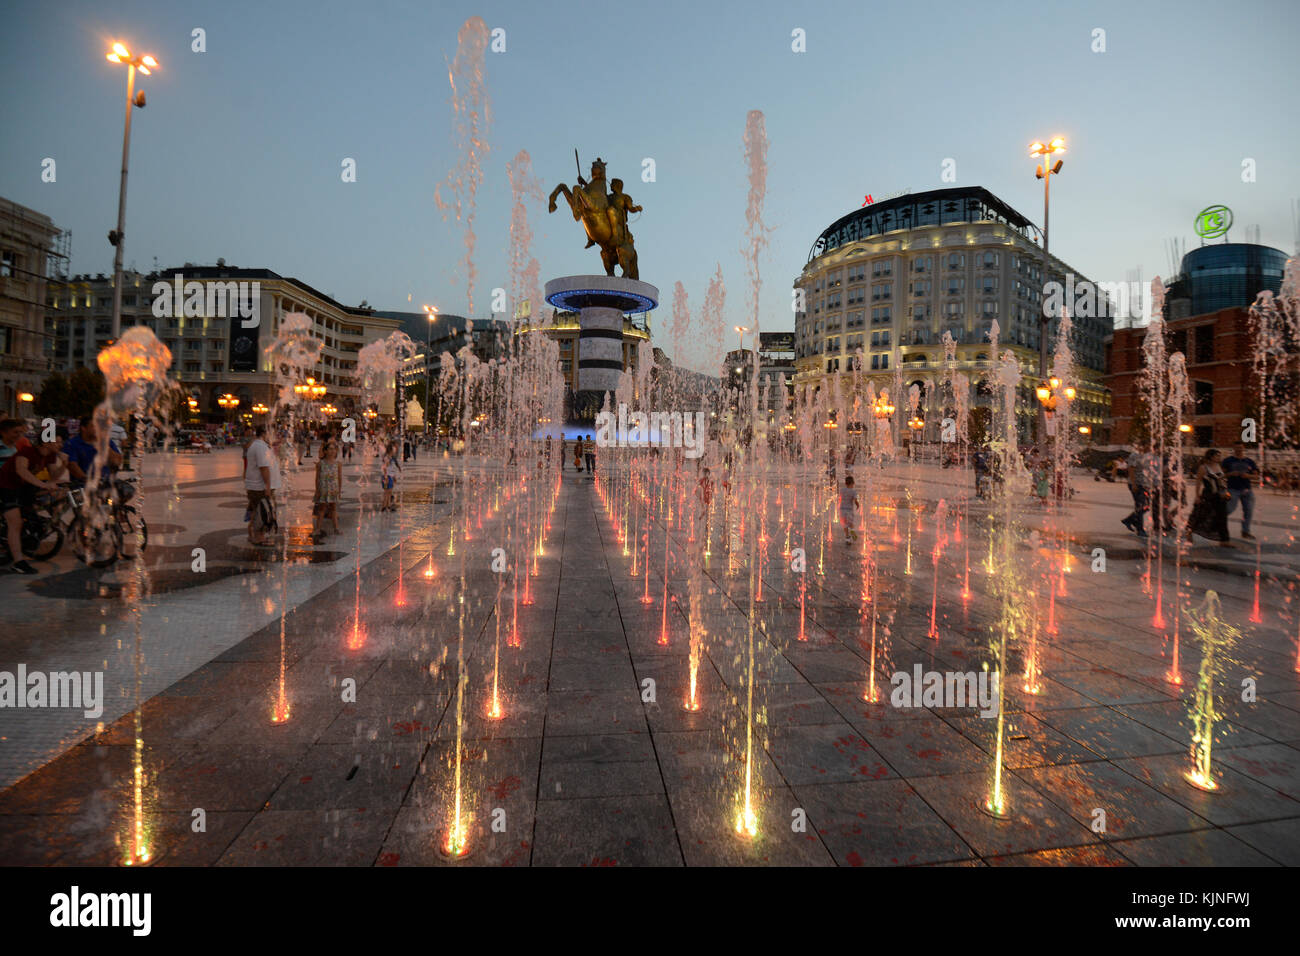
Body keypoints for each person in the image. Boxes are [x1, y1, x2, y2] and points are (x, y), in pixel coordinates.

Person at [1, 424, 68, 573]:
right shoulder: (27, 452)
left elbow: (54, 476)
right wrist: (42, 485)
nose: (60, 445)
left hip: (23, 488)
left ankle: (27, 541)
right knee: (15, 523)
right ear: (45, 442)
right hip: (6, 486)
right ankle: (18, 563)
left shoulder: (50, 455)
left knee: (37, 511)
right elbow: (21, 470)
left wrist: (64, 464)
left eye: (61, 442)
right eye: (57, 442)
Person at [244, 424, 281, 546]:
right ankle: (258, 537)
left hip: (258, 486)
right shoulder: (260, 447)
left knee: (257, 511)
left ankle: (253, 534)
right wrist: (268, 486)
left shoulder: (261, 446)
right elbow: (264, 468)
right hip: (260, 486)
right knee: (262, 511)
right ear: (265, 433)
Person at [63, 414, 122, 488]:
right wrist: (88, 480)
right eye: (94, 426)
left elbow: (117, 462)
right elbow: (72, 466)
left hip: (105, 484)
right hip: (83, 486)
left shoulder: (106, 441)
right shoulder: (72, 444)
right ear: (83, 428)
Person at [1188, 449, 1231, 546]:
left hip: (1220, 495)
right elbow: (1198, 482)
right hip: (1208, 494)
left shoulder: (1218, 466)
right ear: (1211, 456)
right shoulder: (1203, 468)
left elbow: (1222, 480)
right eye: (1217, 456)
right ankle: (1189, 532)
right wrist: (1197, 495)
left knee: (1222, 516)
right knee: (1201, 515)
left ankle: (1224, 540)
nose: (1219, 458)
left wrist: (1226, 492)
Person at [1222, 442, 1259, 541]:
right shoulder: (1227, 461)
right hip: (1232, 489)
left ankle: (1245, 531)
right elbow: (1221, 474)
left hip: (1247, 489)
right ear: (1233, 448)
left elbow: (1256, 476)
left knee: (1248, 511)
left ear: (1244, 449)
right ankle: (1219, 525)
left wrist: (1248, 476)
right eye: (1237, 448)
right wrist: (1230, 474)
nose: (1239, 450)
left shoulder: (1249, 461)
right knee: (1229, 509)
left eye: (1241, 448)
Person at [1121, 446, 1155, 538]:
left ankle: (1129, 519)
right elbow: (1131, 469)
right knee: (1140, 505)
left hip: (1144, 485)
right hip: (1136, 484)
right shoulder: (1135, 455)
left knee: (1147, 505)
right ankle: (1140, 529)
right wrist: (1134, 483)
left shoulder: (1147, 456)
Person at [312, 440, 342, 542]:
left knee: (333, 509)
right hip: (324, 489)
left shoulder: (338, 464)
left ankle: (336, 528)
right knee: (322, 509)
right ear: (325, 451)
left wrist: (339, 491)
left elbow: (340, 478)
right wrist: (317, 490)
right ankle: (318, 529)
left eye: (334, 449)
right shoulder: (321, 464)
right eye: (330, 449)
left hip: (333, 489)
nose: (332, 451)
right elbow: (317, 478)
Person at [839, 473, 860, 545]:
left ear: (845, 483)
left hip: (842, 509)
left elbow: (840, 498)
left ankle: (847, 537)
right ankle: (852, 531)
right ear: (852, 483)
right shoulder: (854, 492)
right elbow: (855, 500)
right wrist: (857, 505)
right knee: (850, 523)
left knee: (844, 524)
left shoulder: (842, 490)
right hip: (849, 510)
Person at [380, 442, 400, 512]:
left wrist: (394, 476)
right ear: (391, 450)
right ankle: (384, 507)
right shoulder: (387, 458)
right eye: (394, 450)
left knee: (389, 493)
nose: (395, 451)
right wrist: (386, 477)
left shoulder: (390, 457)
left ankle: (387, 506)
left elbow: (391, 468)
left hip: (389, 476)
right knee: (387, 493)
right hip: (387, 477)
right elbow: (385, 468)